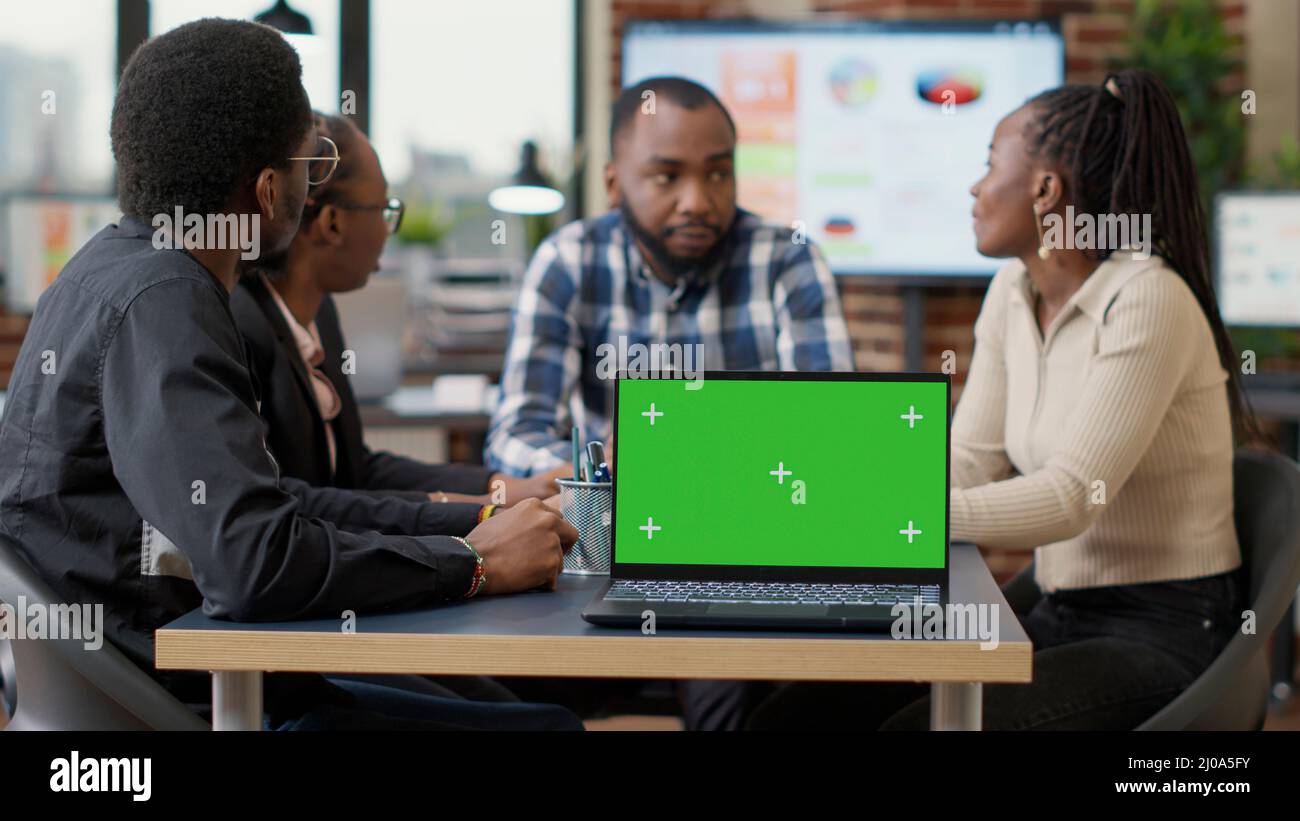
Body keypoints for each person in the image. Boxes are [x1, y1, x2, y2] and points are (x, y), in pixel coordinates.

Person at [0, 19, 579, 730]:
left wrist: (477, 523)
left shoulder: (107, 268)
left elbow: (277, 507)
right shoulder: (166, 302)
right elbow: (254, 562)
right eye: (313, 162)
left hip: (167, 675)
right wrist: (472, 562)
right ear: (271, 191)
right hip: (185, 701)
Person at [748, 69, 1252, 730]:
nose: (974, 186)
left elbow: (1072, 496)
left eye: (988, 164)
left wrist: (896, 521)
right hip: (1057, 606)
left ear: (1046, 190)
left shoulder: (1146, 298)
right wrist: (855, 498)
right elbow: (968, 461)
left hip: (1165, 629)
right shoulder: (1013, 290)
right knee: (795, 715)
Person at [485, 76, 854, 478]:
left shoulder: (789, 259)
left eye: (717, 174)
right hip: (610, 521)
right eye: (666, 176)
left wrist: (682, 465)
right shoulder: (568, 260)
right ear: (614, 184)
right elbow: (515, 437)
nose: (697, 202)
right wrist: (603, 470)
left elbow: (827, 425)